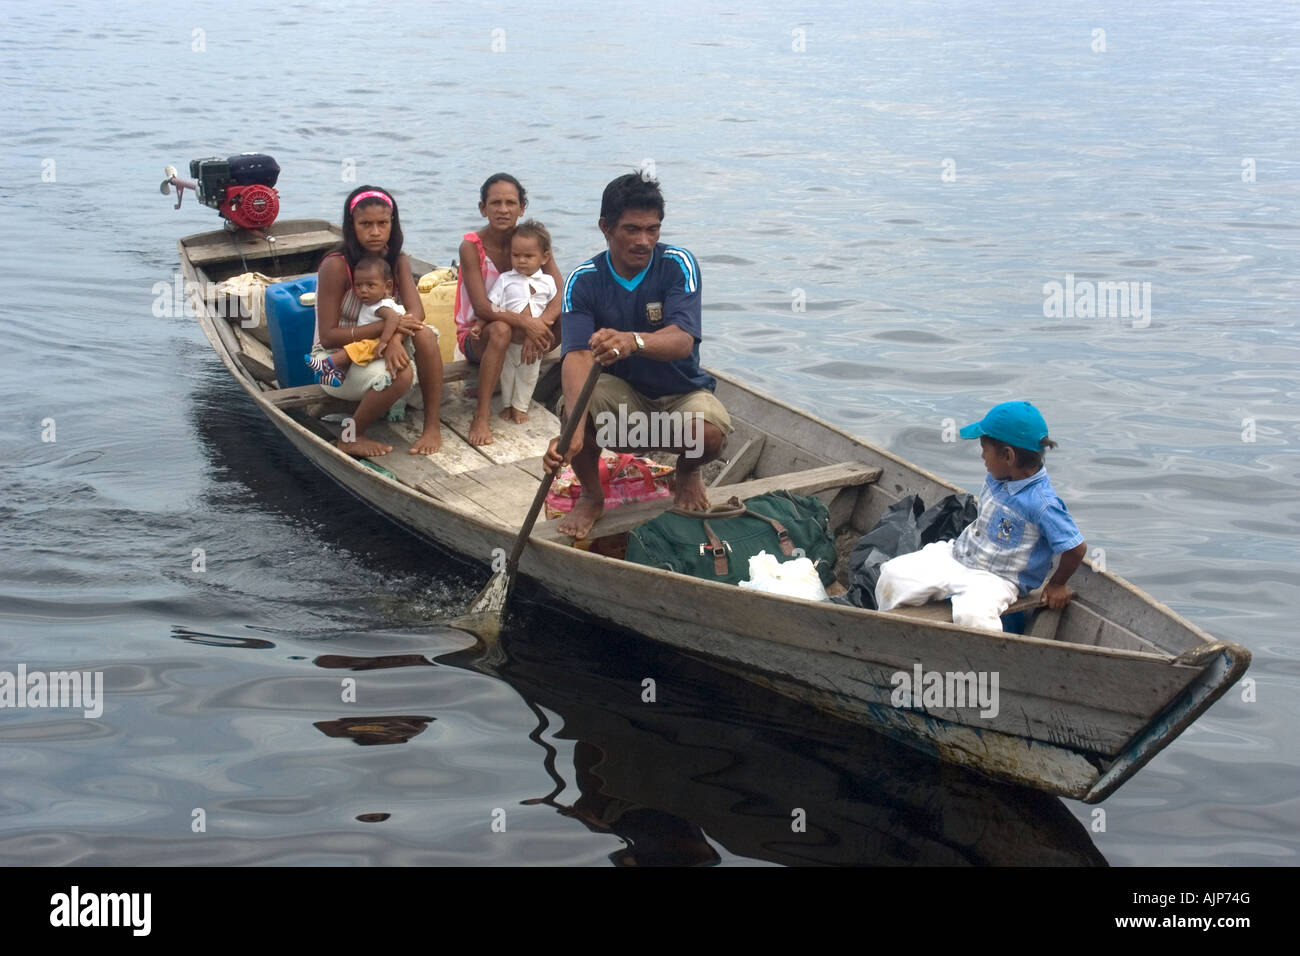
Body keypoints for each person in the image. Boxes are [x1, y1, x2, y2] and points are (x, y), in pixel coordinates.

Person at [543, 173, 732, 540]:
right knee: (576, 406)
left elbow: (682, 341)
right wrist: (573, 434)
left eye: (652, 229)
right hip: (622, 406)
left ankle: (687, 470)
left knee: (708, 434)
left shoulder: (678, 263)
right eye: (631, 229)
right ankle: (592, 495)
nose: (643, 241)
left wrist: (634, 341)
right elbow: (577, 357)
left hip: (679, 394)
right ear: (606, 227)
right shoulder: (583, 280)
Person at [874, 401, 1088, 631]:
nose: (982, 456)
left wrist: (1057, 585)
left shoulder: (1042, 504)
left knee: (974, 618)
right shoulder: (999, 478)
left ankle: (985, 663)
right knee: (892, 576)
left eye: (985, 449)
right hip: (959, 555)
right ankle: (895, 635)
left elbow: (1076, 548)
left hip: (996, 579)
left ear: (1008, 456)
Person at [313, 186, 444, 457]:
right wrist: (388, 328)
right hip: (336, 359)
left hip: (381, 344)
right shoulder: (336, 266)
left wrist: (393, 336)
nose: (375, 232)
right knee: (401, 374)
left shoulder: (397, 260)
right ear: (352, 226)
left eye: (382, 223)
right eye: (366, 224)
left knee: (425, 334)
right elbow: (328, 336)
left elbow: (416, 312)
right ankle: (350, 435)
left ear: (392, 224)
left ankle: (432, 425)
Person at [454, 174, 564, 445]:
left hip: (527, 331)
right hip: (480, 333)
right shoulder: (471, 247)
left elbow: (561, 292)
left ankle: (571, 402)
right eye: (495, 203)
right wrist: (527, 324)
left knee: (571, 316)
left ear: (522, 208)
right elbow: (482, 306)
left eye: (510, 203)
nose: (503, 210)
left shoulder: (529, 241)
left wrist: (540, 324)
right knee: (502, 329)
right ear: (483, 208)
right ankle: (481, 416)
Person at [475, 220, 557, 423]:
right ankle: (507, 405)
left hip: (534, 342)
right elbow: (492, 306)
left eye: (528, 256)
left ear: (544, 257)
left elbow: (555, 306)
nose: (521, 261)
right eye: (516, 255)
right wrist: (479, 325)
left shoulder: (548, 282)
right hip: (510, 341)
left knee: (528, 375)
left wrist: (541, 328)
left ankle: (520, 406)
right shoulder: (505, 280)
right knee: (508, 373)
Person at [306, 256, 417, 387]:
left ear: (387, 287)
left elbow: (393, 318)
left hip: (375, 341)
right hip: (371, 338)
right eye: (358, 285)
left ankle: (326, 364)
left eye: (370, 285)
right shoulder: (371, 304)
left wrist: (384, 341)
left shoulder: (380, 306)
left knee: (351, 351)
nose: (363, 290)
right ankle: (338, 375)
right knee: (354, 353)